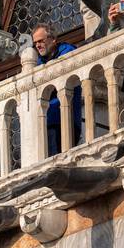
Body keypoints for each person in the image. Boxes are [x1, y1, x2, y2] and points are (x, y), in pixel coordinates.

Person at [32, 22, 82, 154]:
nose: (38, 45)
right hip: (46, 123)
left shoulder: (67, 51)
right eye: (35, 43)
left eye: (41, 41)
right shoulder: (38, 62)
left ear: (53, 39)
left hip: (65, 120)